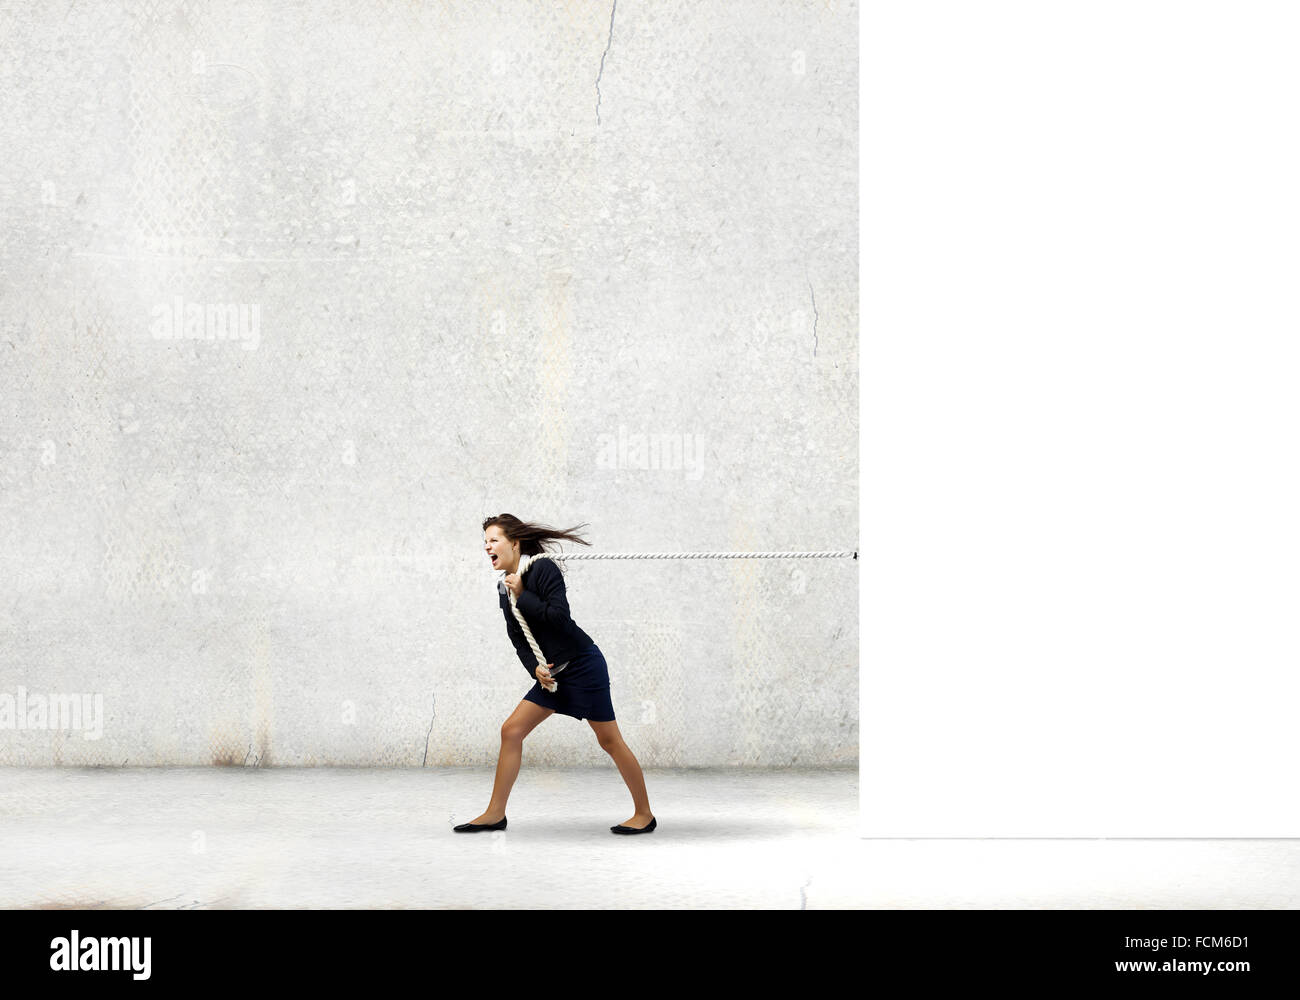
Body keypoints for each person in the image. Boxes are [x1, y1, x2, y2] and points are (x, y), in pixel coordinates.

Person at [454, 514, 656, 835]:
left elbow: (560, 618)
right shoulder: (504, 587)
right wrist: (535, 669)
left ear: (515, 543)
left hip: (583, 666)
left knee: (609, 740)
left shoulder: (542, 569)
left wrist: (524, 593)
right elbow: (519, 639)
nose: (487, 547)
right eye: (485, 542)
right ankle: (495, 813)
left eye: (493, 540)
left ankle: (644, 814)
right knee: (511, 731)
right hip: (552, 676)